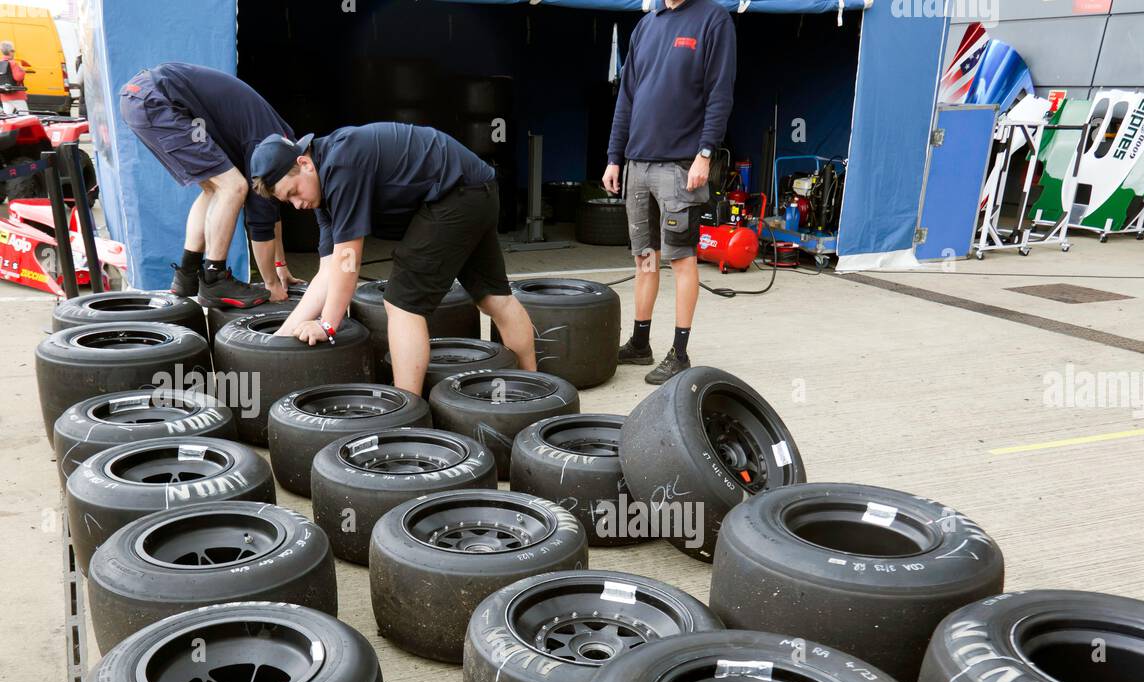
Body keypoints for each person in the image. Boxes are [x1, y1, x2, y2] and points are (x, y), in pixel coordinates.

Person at [250, 124, 537, 395]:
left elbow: (348, 263)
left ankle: (406, 411)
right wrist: (280, 339)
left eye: (294, 193)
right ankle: (534, 391)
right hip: (477, 188)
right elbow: (328, 271)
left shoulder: (341, 166)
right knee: (493, 297)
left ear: (304, 163)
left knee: (401, 303)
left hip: (456, 194)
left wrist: (327, 325)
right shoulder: (323, 188)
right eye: (288, 202)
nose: (297, 204)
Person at [603, 0, 736, 384]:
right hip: (638, 164)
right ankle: (640, 344)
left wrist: (705, 153)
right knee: (644, 256)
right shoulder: (647, 25)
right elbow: (626, 97)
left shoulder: (713, 19)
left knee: (682, 260)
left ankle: (679, 353)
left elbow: (719, 92)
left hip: (680, 166)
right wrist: (615, 157)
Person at [118, 63, 300, 307]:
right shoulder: (265, 144)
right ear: (300, 165)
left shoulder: (276, 147)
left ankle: (188, 274)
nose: (296, 202)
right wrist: (271, 285)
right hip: (157, 100)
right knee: (233, 186)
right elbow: (261, 220)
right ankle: (215, 279)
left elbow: (270, 209)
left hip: (142, 96)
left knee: (214, 187)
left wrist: (281, 266)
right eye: (294, 193)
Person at [0, 42, 29, 116]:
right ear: (10, 51)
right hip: (15, 93)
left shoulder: (1, 63)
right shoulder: (13, 63)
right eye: (13, 51)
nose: (14, 53)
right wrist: (22, 70)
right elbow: (18, 78)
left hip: (4, 94)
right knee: (25, 115)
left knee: (7, 117)